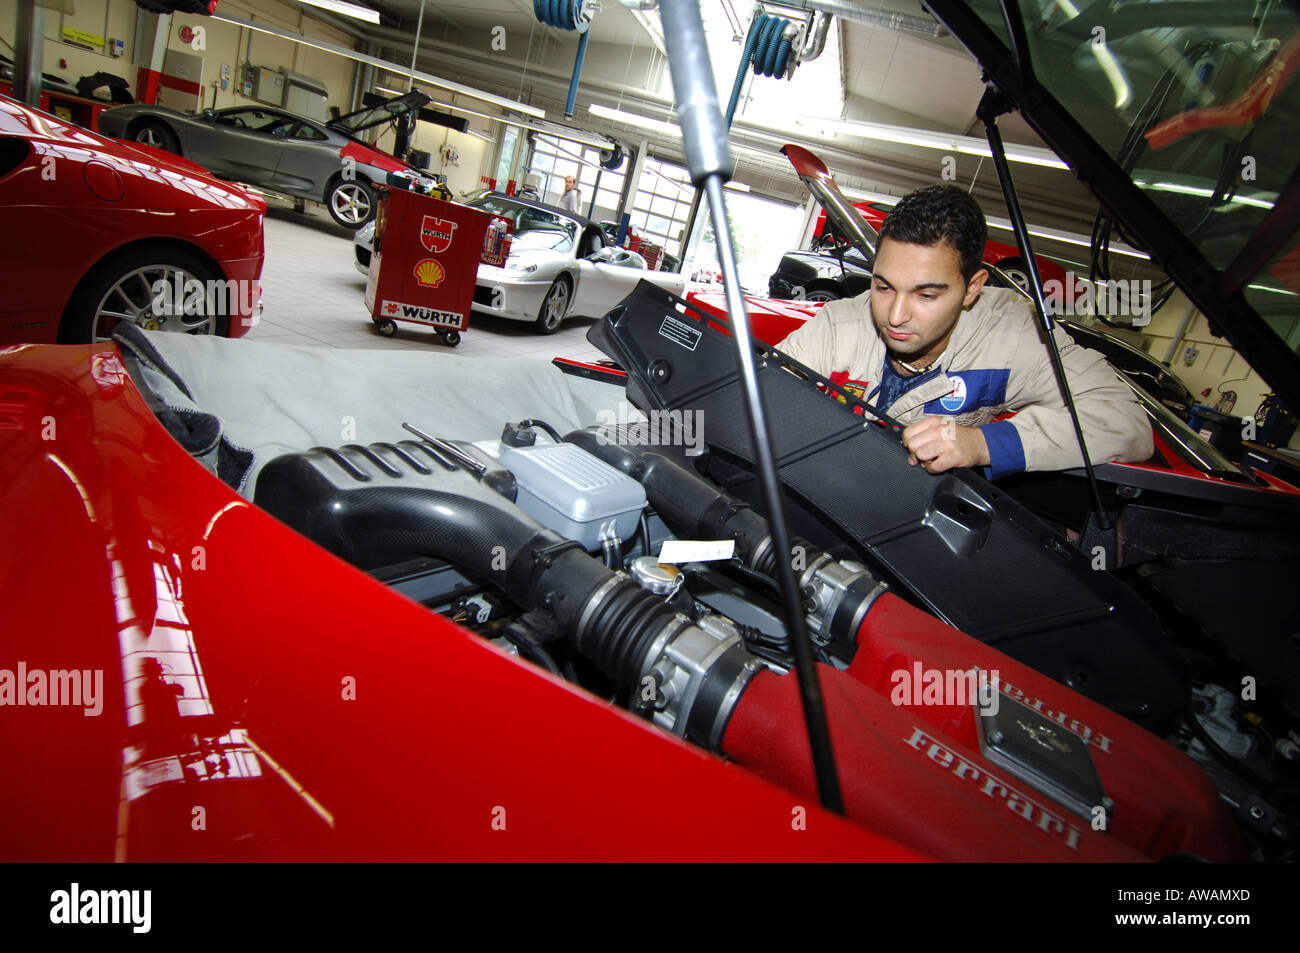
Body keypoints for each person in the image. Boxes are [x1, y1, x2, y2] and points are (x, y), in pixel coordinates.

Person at [777, 185, 1152, 478]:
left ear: (972, 288)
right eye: (884, 286)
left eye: (926, 294)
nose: (895, 315)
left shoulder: (1018, 336)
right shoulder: (837, 326)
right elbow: (754, 396)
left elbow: (1124, 422)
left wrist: (982, 443)